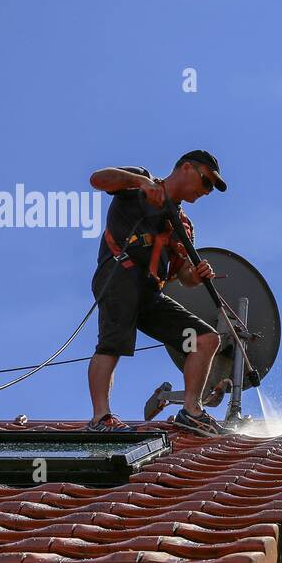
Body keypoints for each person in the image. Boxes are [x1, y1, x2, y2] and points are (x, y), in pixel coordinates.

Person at [85, 150, 231, 437]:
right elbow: (97, 179)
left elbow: (183, 276)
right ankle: (100, 419)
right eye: (206, 182)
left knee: (205, 339)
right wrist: (140, 182)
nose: (206, 191)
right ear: (186, 168)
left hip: (150, 293)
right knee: (113, 344)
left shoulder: (183, 225)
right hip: (119, 274)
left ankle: (192, 411)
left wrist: (197, 275)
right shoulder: (139, 181)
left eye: (211, 188)